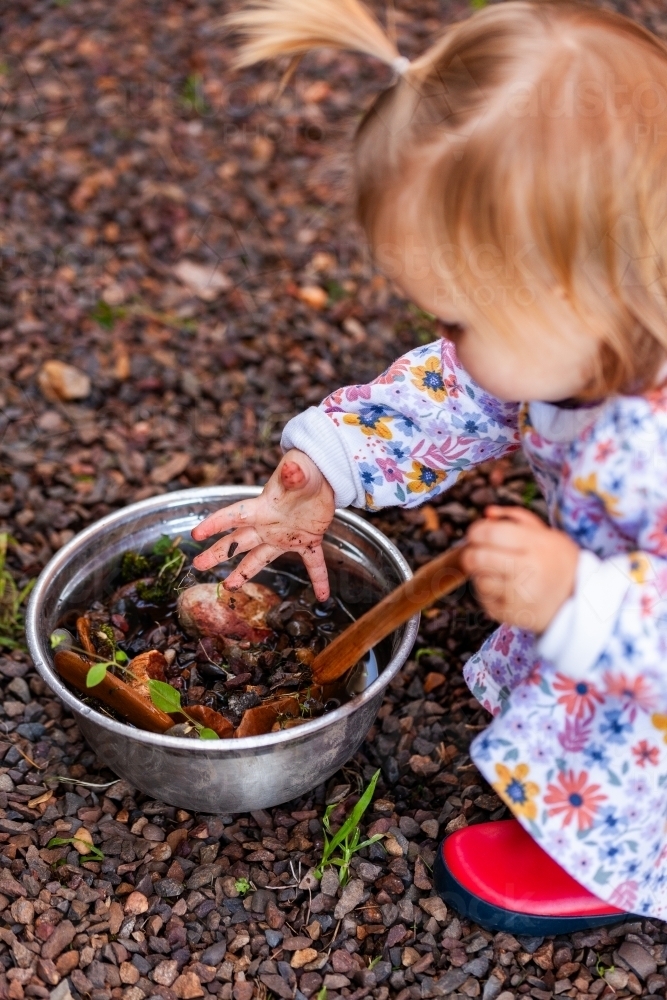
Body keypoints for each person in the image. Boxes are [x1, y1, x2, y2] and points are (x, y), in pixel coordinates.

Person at [192, 0, 667, 931]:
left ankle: (616, 856)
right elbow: (452, 396)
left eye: (457, 319)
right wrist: (331, 463)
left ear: (579, 296)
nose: (444, 343)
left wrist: (586, 603)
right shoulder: (576, 342)